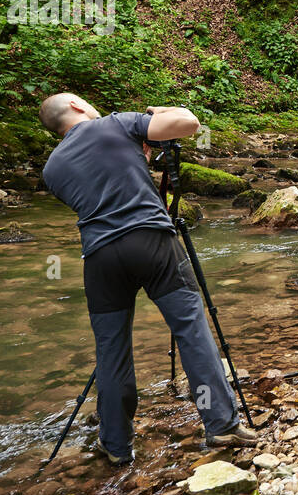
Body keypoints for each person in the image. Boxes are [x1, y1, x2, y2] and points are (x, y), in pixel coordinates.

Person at [39, 93, 255, 464]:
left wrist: (139, 160)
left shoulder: (52, 169)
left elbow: (104, 190)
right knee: (190, 327)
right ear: (75, 106)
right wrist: (159, 113)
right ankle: (220, 424)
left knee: (111, 350)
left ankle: (117, 445)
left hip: (100, 258)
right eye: (85, 101)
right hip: (151, 241)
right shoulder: (117, 123)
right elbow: (189, 123)